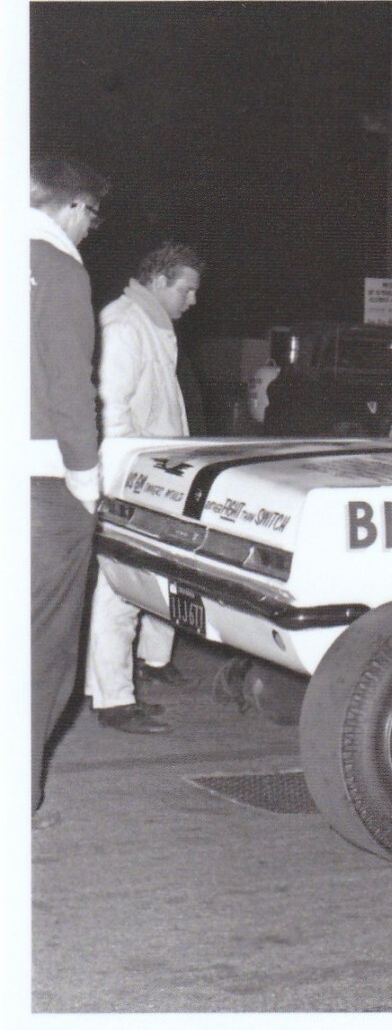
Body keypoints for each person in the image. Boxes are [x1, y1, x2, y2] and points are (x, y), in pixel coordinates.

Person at [84, 242, 207, 734]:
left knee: (149, 580)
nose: (192, 300)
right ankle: (112, 698)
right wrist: (123, 480)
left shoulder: (155, 324)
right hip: (133, 477)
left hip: (158, 476)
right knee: (118, 588)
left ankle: (142, 670)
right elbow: (112, 410)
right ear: (158, 280)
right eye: (186, 289)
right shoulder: (124, 323)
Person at [31, 157, 109, 822]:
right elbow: (69, 387)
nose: (90, 229)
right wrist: (87, 485)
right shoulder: (57, 268)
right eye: (92, 215)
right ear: (73, 205)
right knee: (40, 655)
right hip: (38, 488)